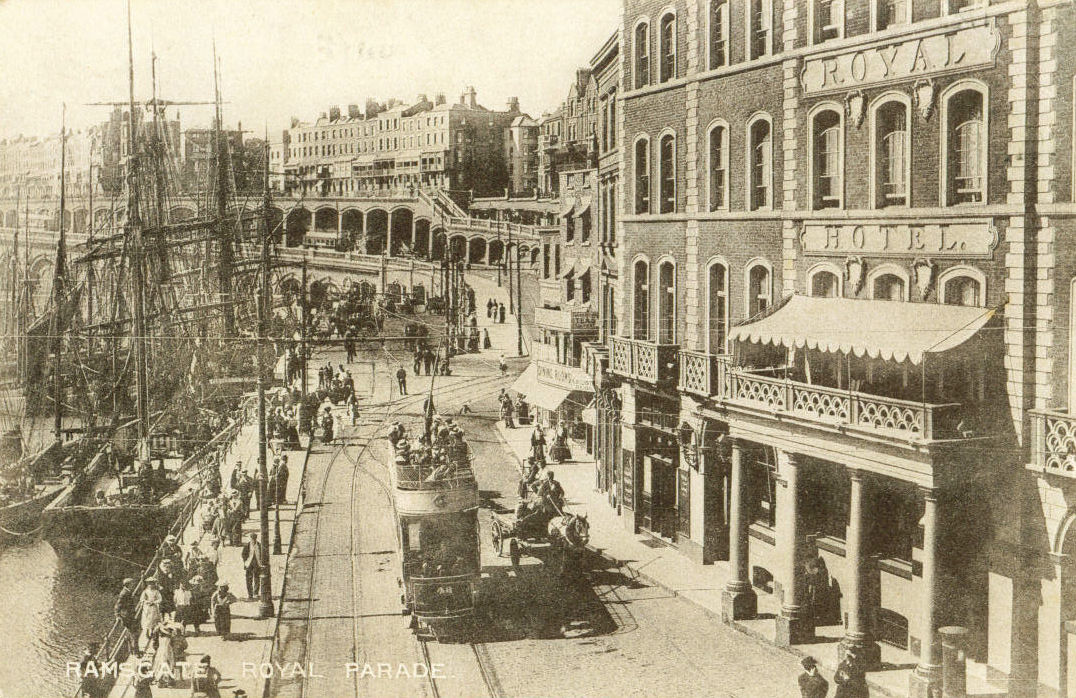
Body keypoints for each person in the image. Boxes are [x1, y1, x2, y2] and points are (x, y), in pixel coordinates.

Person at [114, 577, 140, 653]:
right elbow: (118, 605)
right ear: (128, 585)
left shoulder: (127, 591)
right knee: (134, 633)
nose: (134, 585)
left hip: (129, 615)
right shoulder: (124, 593)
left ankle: (131, 650)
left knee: (131, 633)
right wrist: (117, 615)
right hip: (127, 616)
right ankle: (135, 651)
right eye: (132, 584)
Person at [138, 580, 162, 653]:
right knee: (147, 621)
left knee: (153, 621)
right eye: (149, 584)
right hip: (147, 607)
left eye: (152, 584)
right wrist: (147, 602)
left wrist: (154, 602)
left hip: (153, 607)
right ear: (148, 584)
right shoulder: (145, 592)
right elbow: (142, 599)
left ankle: (153, 632)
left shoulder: (156, 592)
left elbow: (160, 599)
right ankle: (147, 631)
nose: (151, 585)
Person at [242, 533, 263, 599]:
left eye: (254, 539)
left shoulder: (259, 545)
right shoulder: (247, 545)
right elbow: (243, 554)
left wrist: (260, 562)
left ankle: (255, 593)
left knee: (257, 578)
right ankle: (250, 594)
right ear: (250, 539)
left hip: (257, 563)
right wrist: (246, 561)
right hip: (249, 564)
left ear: (256, 539)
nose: (253, 540)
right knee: (249, 579)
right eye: (252, 539)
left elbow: (262, 554)